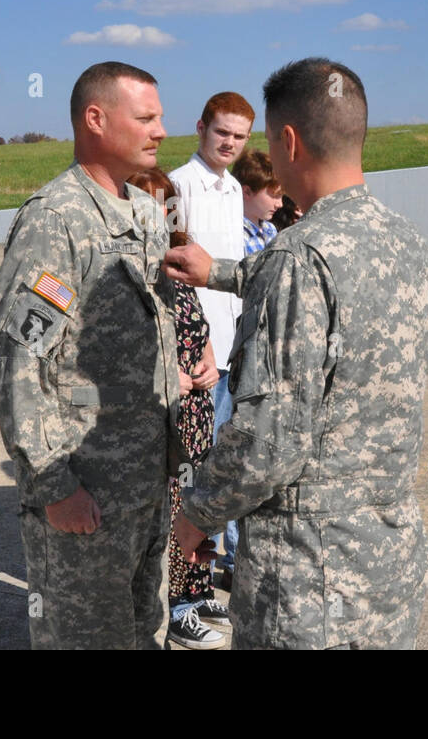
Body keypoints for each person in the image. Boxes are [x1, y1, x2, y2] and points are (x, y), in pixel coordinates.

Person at [164, 57, 428, 650]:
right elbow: (327, 292)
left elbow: (269, 441)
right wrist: (216, 272)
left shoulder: (299, 257)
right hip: (387, 563)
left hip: (308, 585)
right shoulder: (408, 242)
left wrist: (196, 515)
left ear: (288, 141)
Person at [0, 61, 181, 650]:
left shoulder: (146, 214)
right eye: (145, 118)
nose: (160, 131)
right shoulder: (58, 222)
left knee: (141, 627)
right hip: (88, 485)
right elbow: (21, 362)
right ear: (96, 120)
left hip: (146, 477)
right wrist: (52, 485)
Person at [127, 167, 229, 648]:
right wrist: (174, 378)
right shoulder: (125, 268)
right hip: (160, 416)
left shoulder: (177, 261)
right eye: (148, 203)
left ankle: (198, 591)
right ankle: (176, 613)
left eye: (165, 202)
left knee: (198, 506)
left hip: (197, 411)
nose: (160, 212)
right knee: (169, 516)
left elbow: (197, 326)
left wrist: (208, 363)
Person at [168, 92, 254, 586]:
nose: (230, 143)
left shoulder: (236, 189)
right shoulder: (179, 185)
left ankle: (226, 565)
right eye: (222, 132)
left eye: (240, 136)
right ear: (201, 127)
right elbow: (177, 269)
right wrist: (193, 347)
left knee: (230, 465)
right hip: (200, 355)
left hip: (233, 347)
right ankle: (190, 586)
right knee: (197, 472)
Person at [233, 148, 282, 255]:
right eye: (274, 195)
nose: (280, 204)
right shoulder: (234, 237)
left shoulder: (270, 229)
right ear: (246, 192)